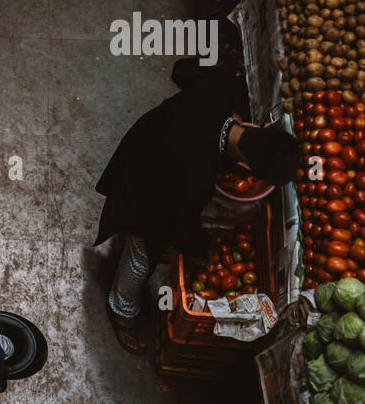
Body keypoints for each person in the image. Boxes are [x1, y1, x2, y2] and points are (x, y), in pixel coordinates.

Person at [95, 59, 300, 354]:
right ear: (243, 165)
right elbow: (179, 227)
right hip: (143, 180)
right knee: (144, 249)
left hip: (146, 135)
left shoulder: (224, 85)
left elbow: (182, 69)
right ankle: (121, 307)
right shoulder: (197, 175)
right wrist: (202, 248)